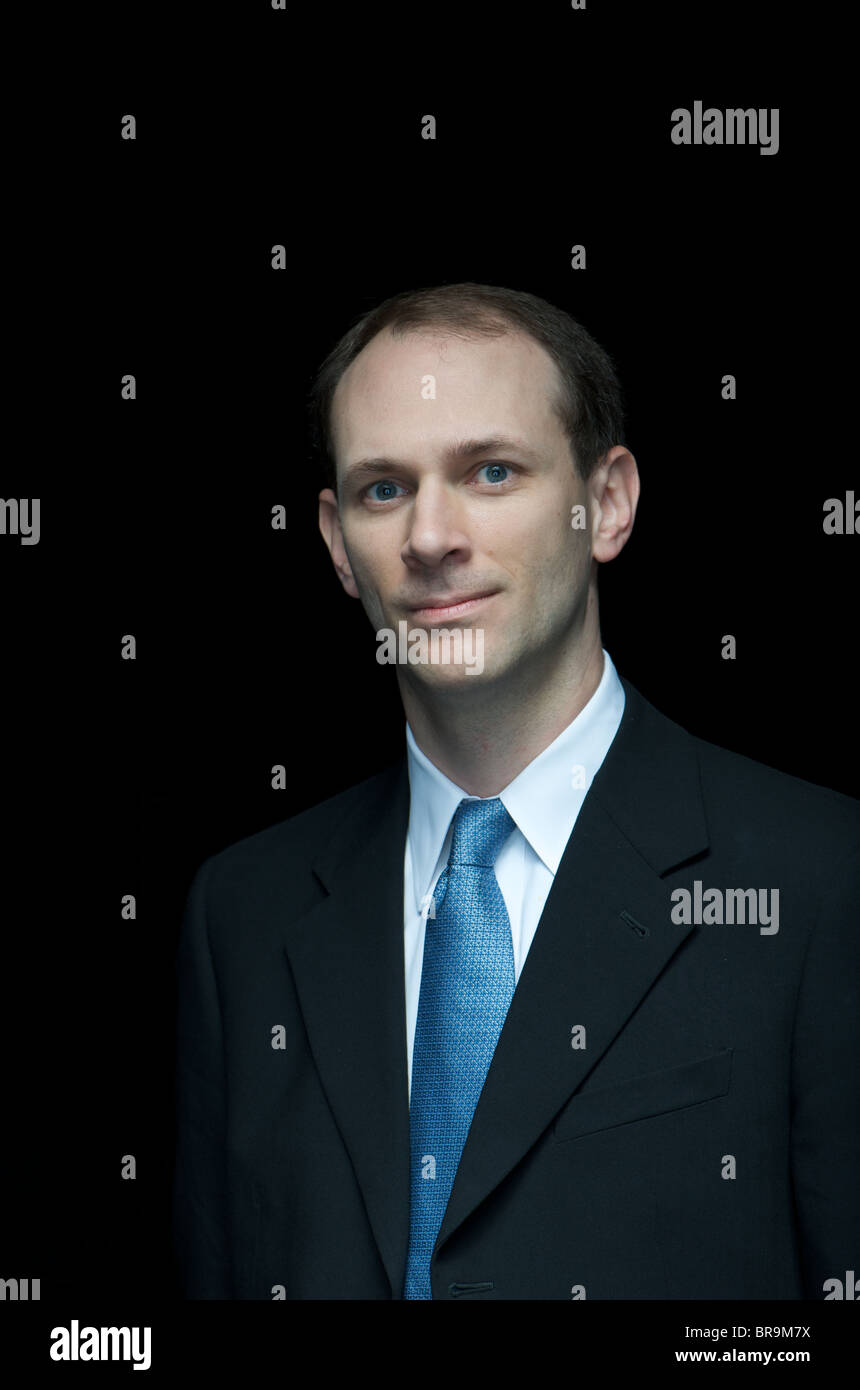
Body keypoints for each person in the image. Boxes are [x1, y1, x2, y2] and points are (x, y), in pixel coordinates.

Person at [172, 283, 859, 1300]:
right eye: (380, 489)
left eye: (490, 471)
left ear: (608, 503)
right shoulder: (243, 911)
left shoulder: (816, 878)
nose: (431, 535)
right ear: (332, 543)